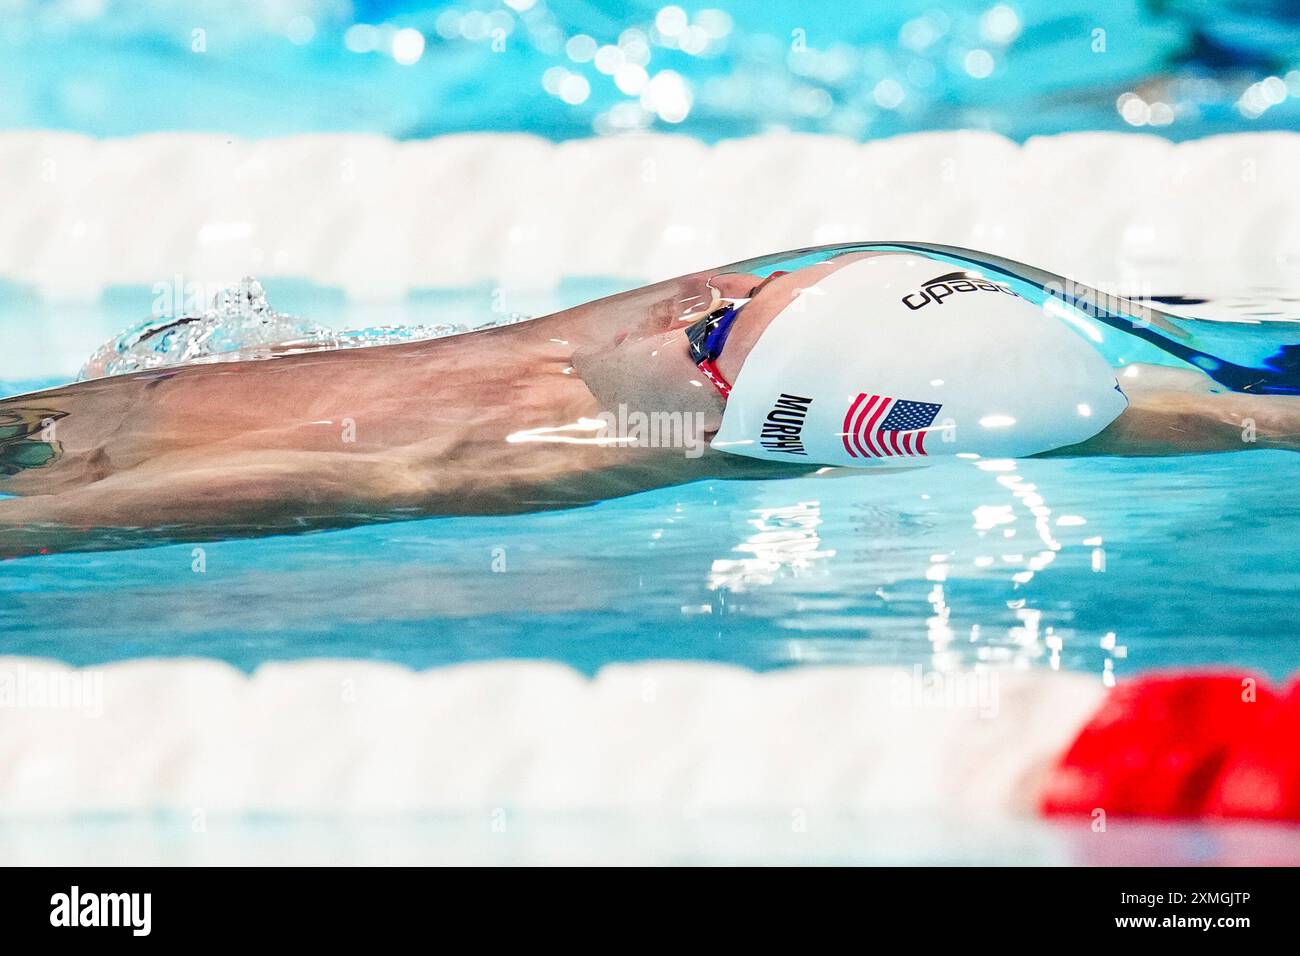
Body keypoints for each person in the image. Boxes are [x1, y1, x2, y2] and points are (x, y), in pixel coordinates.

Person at [2, 241, 1298, 557]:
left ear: (740, 407)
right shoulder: (674, 332)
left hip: (101, 460)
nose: (700, 295)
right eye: (741, 283)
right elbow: (1117, 388)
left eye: (721, 321)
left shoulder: (494, 454)